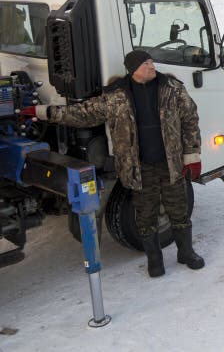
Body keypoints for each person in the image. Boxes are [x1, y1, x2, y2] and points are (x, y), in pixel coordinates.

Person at [24, 50, 205, 278]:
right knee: (145, 216)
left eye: (151, 62)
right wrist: (44, 112)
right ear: (134, 69)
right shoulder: (116, 95)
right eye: (146, 64)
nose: (151, 66)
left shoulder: (172, 87)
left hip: (171, 164)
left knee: (178, 210)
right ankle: (154, 260)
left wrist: (192, 154)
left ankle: (186, 253)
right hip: (139, 168)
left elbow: (190, 119)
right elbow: (82, 113)